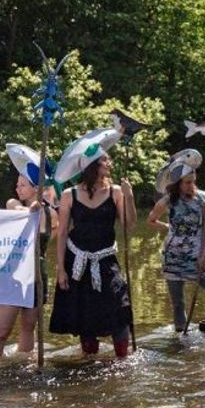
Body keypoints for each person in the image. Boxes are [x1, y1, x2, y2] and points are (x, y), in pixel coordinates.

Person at [51, 153, 136, 357]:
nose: (109, 163)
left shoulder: (115, 192)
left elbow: (129, 225)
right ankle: (89, 362)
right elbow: (62, 233)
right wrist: (61, 269)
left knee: (119, 309)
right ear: (91, 166)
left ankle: (123, 362)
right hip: (77, 262)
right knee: (85, 316)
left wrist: (129, 197)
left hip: (106, 260)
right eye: (104, 161)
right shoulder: (69, 195)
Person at [0, 145, 56, 358]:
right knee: (1, 331)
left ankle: (24, 364)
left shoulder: (49, 213)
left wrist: (43, 206)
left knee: (28, 328)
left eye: (23, 185)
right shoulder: (13, 204)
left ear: (36, 187)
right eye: (17, 184)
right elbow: (17, 209)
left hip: (37, 276)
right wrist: (31, 209)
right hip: (12, 276)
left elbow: (53, 230)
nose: (18, 188)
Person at [148, 149, 205, 335]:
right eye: (187, 183)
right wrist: (168, 227)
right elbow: (150, 221)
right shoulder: (168, 201)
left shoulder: (202, 198)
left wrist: (204, 254)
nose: (192, 186)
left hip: (197, 258)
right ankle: (181, 342)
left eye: (193, 182)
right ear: (178, 184)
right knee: (178, 304)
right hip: (173, 258)